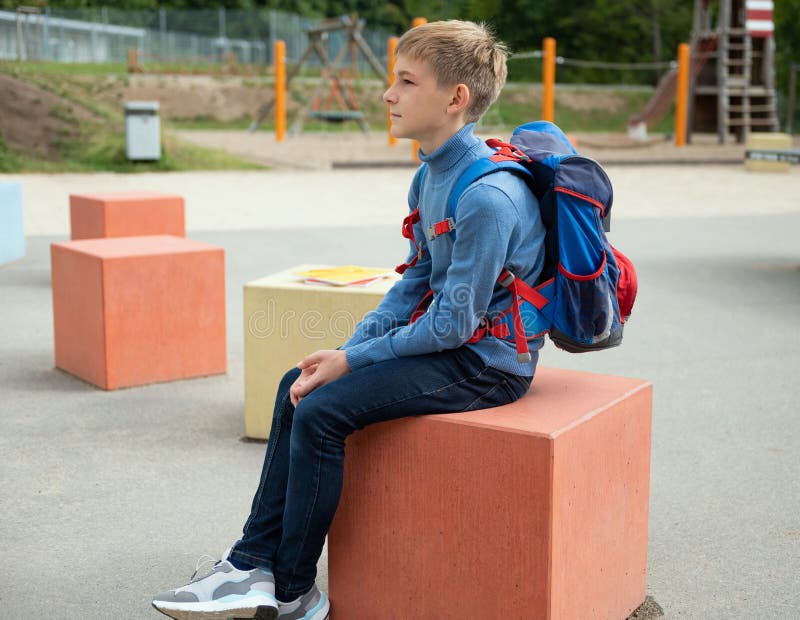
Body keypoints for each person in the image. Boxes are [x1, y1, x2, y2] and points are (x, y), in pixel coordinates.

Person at [152, 19, 545, 620]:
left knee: (323, 409)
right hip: (452, 342)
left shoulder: (487, 196)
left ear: (455, 99)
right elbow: (414, 279)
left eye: (407, 82)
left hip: (489, 363)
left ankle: (292, 590)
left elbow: (453, 326)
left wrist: (353, 363)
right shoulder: (430, 173)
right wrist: (348, 345)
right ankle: (250, 564)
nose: (389, 94)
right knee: (296, 384)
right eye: (394, 80)